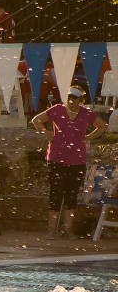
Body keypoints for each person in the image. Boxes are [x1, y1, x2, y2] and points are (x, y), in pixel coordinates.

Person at [31, 85, 108, 238]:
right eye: (69, 98)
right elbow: (36, 120)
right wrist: (45, 132)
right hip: (56, 158)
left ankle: (67, 231)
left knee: (71, 195)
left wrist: (87, 137)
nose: (71, 101)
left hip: (77, 160)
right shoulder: (57, 109)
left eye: (74, 98)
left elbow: (103, 126)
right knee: (56, 194)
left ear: (81, 100)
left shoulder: (86, 113)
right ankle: (51, 230)